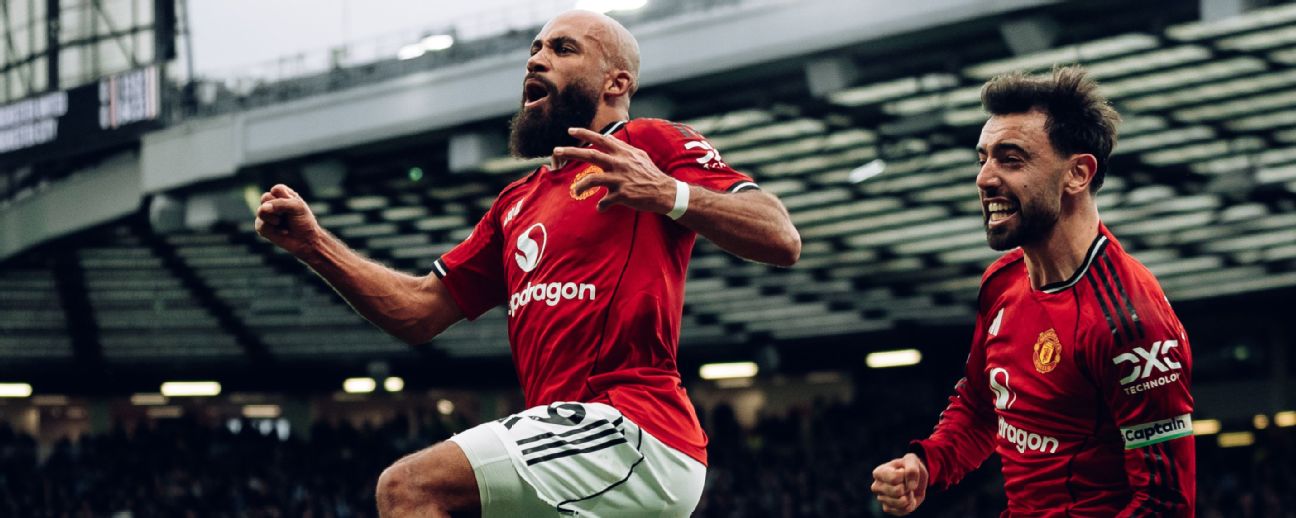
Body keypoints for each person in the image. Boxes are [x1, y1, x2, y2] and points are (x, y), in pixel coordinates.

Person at [255, 10, 800, 518]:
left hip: (635, 428)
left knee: (409, 488)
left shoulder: (648, 144)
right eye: (535, 50)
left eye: (563, 49)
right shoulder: (517, 201)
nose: (537, 60)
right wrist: (314, 245)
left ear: (616, 83)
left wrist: (667, 192)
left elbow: (780, 235)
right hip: (571, 450)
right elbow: (419, 311)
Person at [871, 66, 1195, 516]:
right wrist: (927, 463)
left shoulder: (1130, 322)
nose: (984, 178)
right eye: (983, 159)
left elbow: (1164, 504)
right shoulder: (1001, 282)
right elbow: (983, 405)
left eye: (1011, 159)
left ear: (1077, 173)